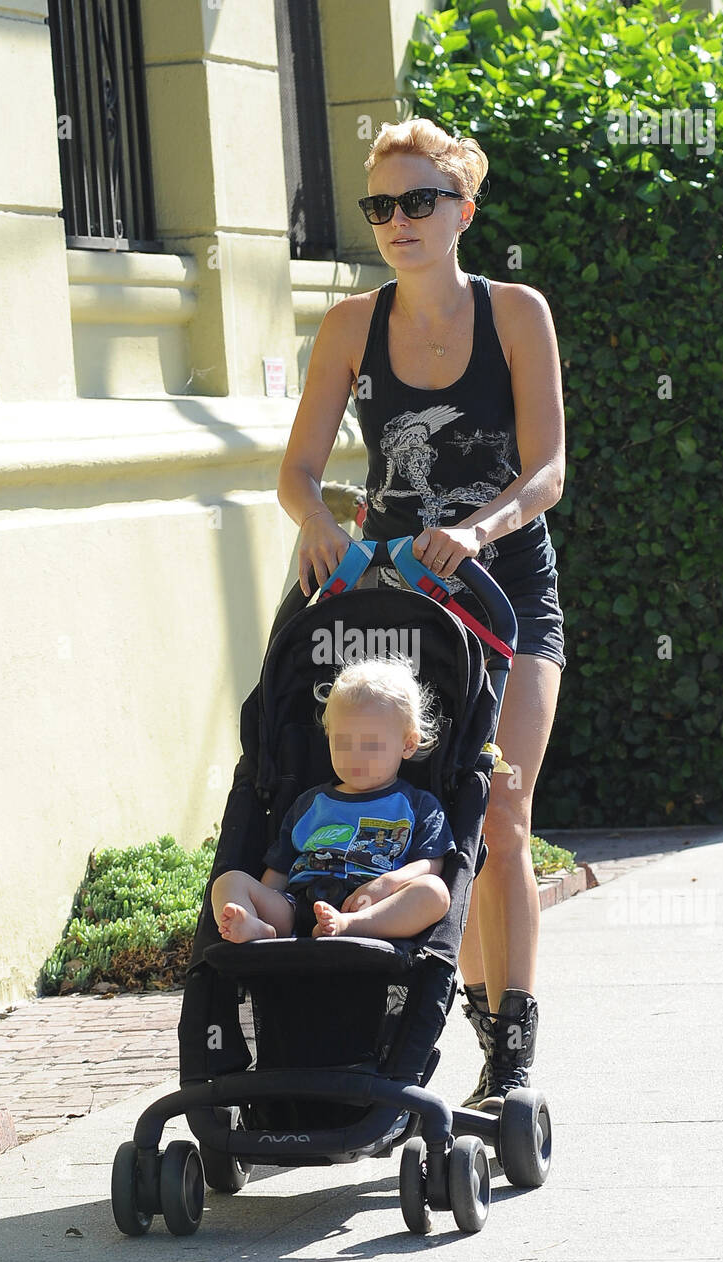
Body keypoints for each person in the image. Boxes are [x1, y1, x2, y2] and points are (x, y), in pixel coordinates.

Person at [276, 117, 567, 1114]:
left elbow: (548, 472)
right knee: (436, 813)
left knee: (502, 804)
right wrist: (317, 521)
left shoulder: (517, 314)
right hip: (395, 592)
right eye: (382, 207)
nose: (398, 222)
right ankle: (460, 1015)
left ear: (462, 213)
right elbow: (298, 473)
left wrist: (481, 529)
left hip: (504, 588)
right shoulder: (352, 325)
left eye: (418, 203)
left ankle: (513, 1044)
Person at [211, 654, 455, 944]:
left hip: (374, 904)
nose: (355, 755)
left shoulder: (417, 805)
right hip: (298, 906)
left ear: (408, 744)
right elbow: (278, 871)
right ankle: (260, 930)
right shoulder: (309, 804)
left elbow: (431, 864)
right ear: (327, 737)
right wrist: (265, 905)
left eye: (371, 744)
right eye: (343, 742)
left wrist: (386, 884)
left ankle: (349, 926)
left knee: (435, 891)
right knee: (229, 882)